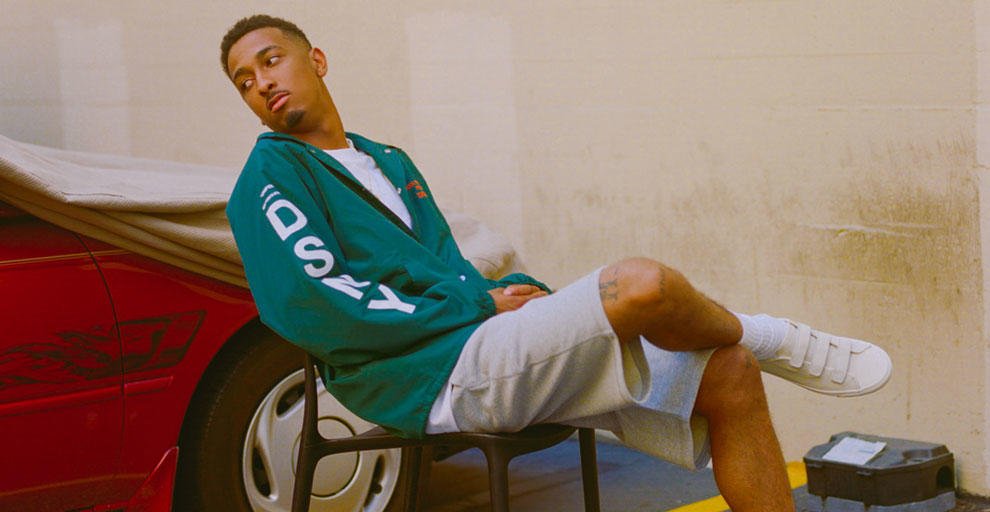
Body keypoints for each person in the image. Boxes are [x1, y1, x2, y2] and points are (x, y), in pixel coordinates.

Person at [221, 14, 892, 511]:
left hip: (478, 345)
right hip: (428, 378)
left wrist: (514, 293)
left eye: (271, 61)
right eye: (244, 81)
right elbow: (317, 304)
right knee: (640, 284)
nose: (262, 84)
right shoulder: (272, 175)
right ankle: (774, 336)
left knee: (729, 372)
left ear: (317, 59)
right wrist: (480, 304)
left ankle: (752, 348)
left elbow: (448, 274)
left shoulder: (387, 161)